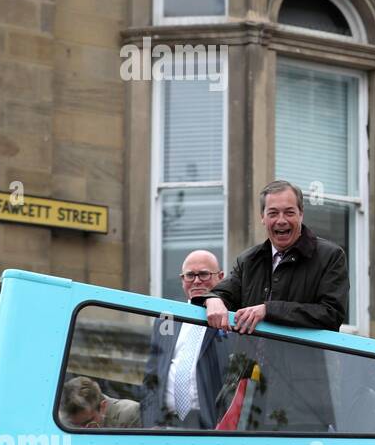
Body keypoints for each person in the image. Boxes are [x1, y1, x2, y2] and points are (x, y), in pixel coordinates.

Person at [197, 179, 348, 332]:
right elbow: (222, 293)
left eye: (289, 212)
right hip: (249, 356)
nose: (281, 220)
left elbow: (331, 314)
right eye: (273, 213)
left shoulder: (331, 256)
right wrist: (213, 299)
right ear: (263, 217)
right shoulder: (248, 260)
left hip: (303, 356)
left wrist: (268, 310)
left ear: (301, 214)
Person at [141, 251, 232, 429]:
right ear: (182, 280)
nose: (197, 281)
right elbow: (152, 375)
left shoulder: (229, 319)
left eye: (204, 274)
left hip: (211, 427)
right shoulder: (166, 318)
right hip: (163, 425)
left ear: (220, 277)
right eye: (190, 275)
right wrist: (149, 424)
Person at [60, 376, 140, 429]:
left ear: (103, 406)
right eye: (75, 425)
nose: (82, 430)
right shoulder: (61, 420)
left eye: (88, 423)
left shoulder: (130, 414)